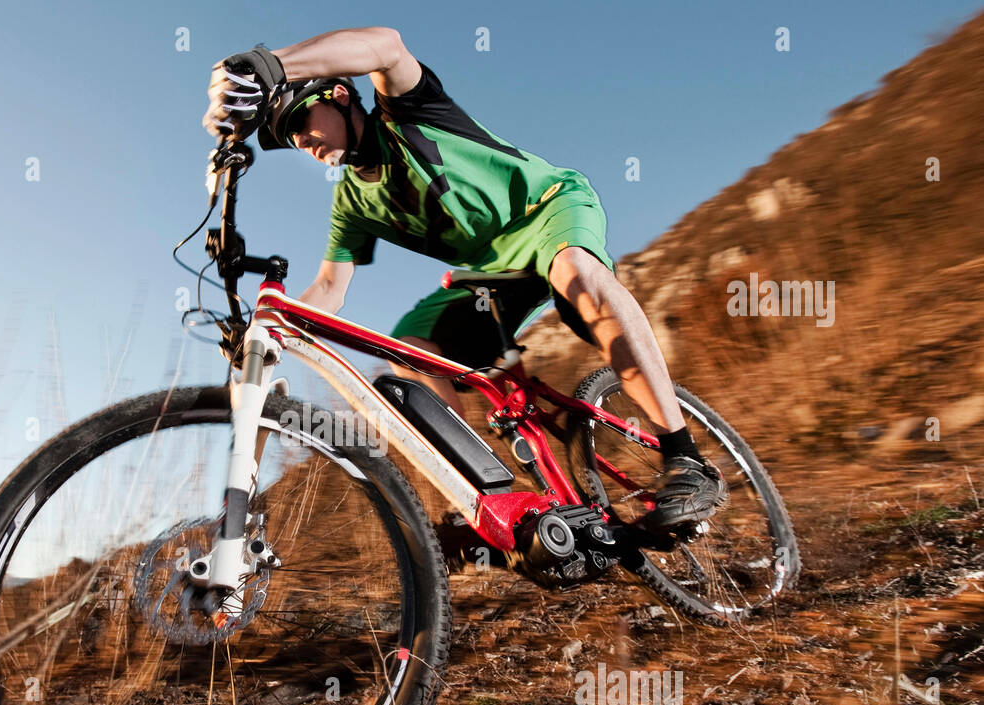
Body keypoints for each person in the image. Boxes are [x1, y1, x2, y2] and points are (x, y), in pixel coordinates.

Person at [203, 27, 726, 531]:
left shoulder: (406, 112)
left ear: (339, 95)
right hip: (492, 271)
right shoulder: (351, 203)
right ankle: (491, 497)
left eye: (301, 121)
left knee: (575, 272)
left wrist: (272, 66)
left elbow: (386, 45)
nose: (300, 141)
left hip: (548, 211)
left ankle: (685, 459)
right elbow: (329, 292)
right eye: (288, 138)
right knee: (408, 349)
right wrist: (266, 328)